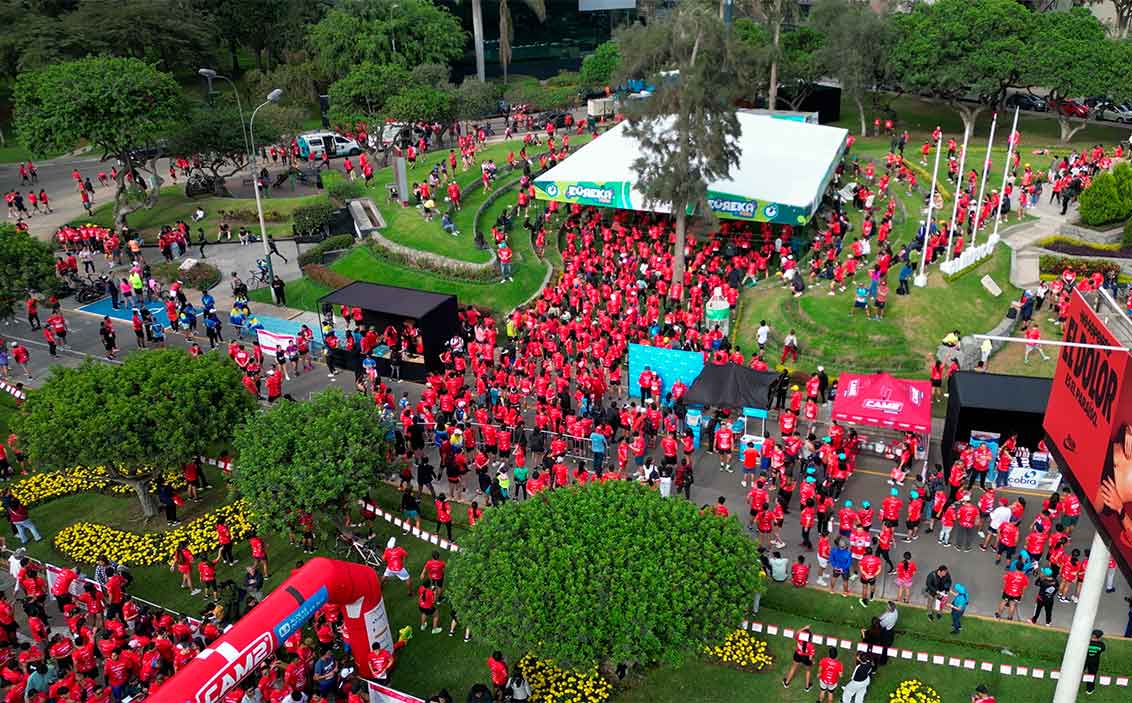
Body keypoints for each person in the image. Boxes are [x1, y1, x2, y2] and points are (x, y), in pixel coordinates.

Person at [782, 625, 814, 692]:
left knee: (793, 667)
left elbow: (797, 632)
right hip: (806, 658)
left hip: (797, 655)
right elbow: (811, 656)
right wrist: (810, 662)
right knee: (808, 671)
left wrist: (804, 628)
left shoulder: (799, 638)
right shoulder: (811, 645)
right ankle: (807, 687)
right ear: (810, 638)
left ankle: (786, 683)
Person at [1084, 628, 1105, 695]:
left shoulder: (1086, 642)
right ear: (1100, 637)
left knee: (1078, 673)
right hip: (1094, 662)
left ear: (1092, 635)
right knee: (1092, 675)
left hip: (1084, 661)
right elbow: (1103, 650)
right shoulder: (1101, 645)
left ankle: (1073, 684)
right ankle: (1089, 689)